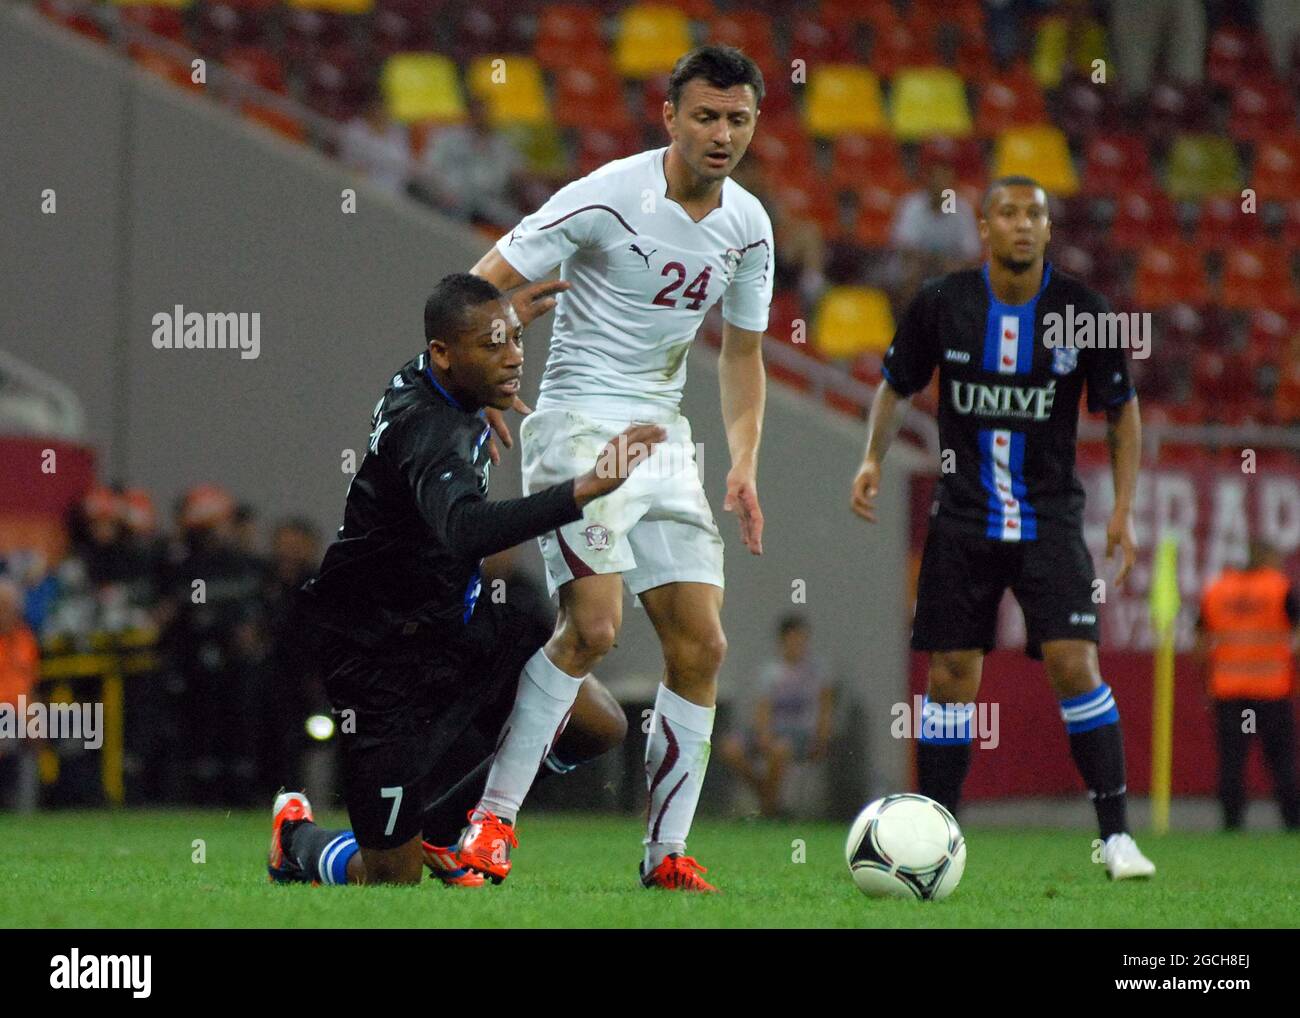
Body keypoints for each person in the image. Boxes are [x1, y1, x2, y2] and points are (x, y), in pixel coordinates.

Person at [466, 44, 773, 891]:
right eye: (705, 116)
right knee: (594, 629)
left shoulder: (749, 224)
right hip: (575, 430)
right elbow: (483, 281)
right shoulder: (608, 194)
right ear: (668, 116)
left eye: (737, 119)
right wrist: (476, 379)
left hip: (662, 439)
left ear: (754, 124)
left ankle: (665, 853)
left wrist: (742, 461)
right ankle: (489, 825)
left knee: (702, 645)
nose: (720, 134)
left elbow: (742, 355)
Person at [272, 273, 664, 886]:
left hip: (455, 627)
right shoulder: (432, 431)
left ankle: (457, 829)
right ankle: (297, 840)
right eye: (494, 346)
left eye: (514, 342)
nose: (512, 358)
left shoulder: (436, 376)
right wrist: (583, 489)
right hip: (379, 655)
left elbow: (462, 338)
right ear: (444, 355)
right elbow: (465, 530)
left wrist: (501, 330)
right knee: (392, 881)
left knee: (599, 724)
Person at [850, 175, 1157, 880]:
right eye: (1009, 213)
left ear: (1049, 231)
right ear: (983, 229)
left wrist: (1122, 510)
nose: (1023, 225)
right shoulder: (942, 303)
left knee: (1074, 660)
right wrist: (870, 460)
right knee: (951, 676)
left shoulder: (1084, 312)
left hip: (1050, 518)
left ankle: (1116, 839)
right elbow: (895, 384)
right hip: (963, 518)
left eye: (1036, 215)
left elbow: (1123, 409)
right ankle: (934, 836)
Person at [1196, 540, 1300, 831]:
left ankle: (1232, 823)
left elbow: (1200, 644)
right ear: (1266, 557)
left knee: (1232, 760)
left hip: (1230, 693)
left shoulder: (1218, 589)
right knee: (1282, 760)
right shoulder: (1279, 587)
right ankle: (1292, 822)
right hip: (1271, 692)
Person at [718, 615, 832, 817]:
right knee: (731, 748)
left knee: (780, 750)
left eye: (802, 639)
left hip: (800, 734)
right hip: (772, 730)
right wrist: (764, 735)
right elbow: (763, 708)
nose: (798, 644)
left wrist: (822, 740)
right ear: (782, 640)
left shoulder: (816, 672)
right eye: (793, 638)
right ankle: (767, 797)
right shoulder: (771, 673)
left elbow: (824, 709)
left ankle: (768, 808)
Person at [0, 578, 40, 811]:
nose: (6, 614)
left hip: (19, 714)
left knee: (78, 729)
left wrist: (34, 721)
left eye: (10, 608)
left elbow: (30, 686)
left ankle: (27, 810)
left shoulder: (26, 640)